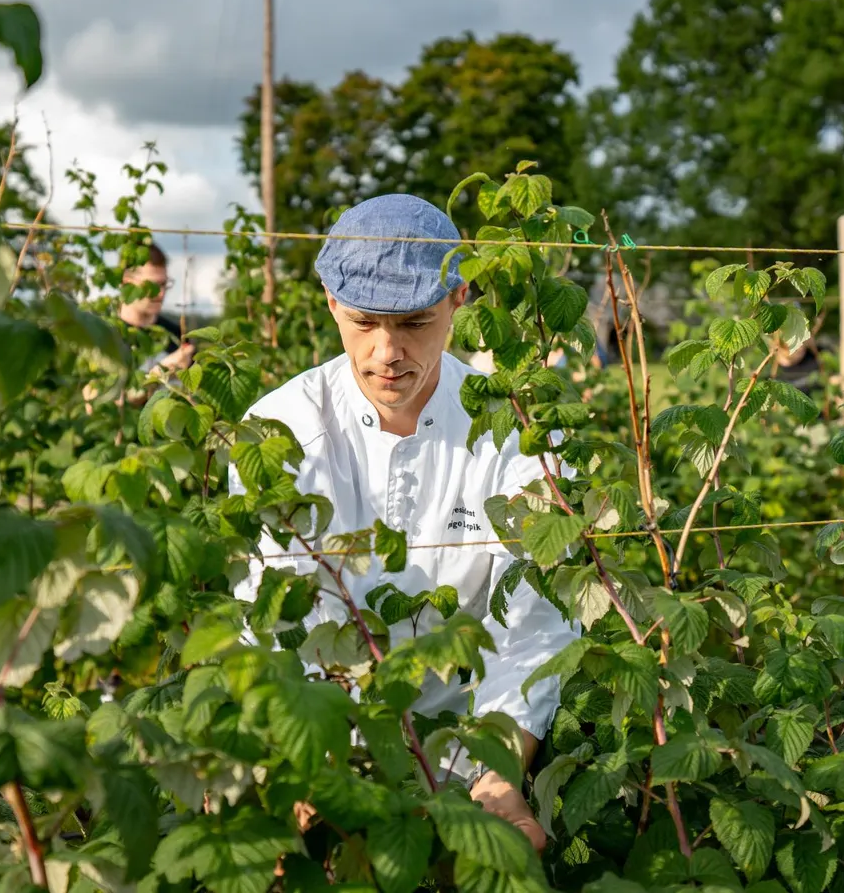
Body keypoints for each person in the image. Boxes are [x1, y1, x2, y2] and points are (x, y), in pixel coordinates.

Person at [231, 194, 582, 851]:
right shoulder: (280, 430)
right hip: (325, 744)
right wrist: (308, 765)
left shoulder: (518, 430)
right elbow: (268, 615)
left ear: (459, 299)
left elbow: (535, 618)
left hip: (470, 744)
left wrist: (499, 776)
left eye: (416, 322)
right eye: (364, 321)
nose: (387, 351)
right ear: (331, 302)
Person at [118, 243, 194, 374]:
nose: (161, 293)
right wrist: (157, 375)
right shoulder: (104, 334)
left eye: (164, 284)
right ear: (127, 282)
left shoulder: (178, 336)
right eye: (153, 286)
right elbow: (92, 393)